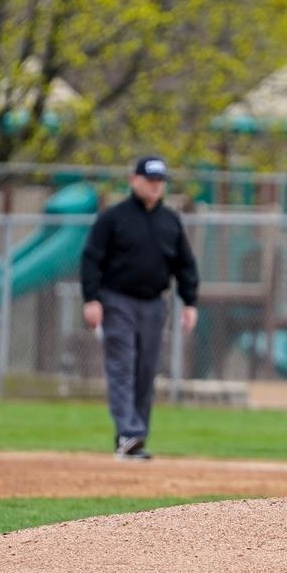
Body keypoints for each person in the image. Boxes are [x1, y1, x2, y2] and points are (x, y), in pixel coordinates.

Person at [79, 155, 200, 460]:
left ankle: (135, 438)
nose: (155, 186)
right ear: (133, 180)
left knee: (145, 371)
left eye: (160, 181)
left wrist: (190, 302)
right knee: (122, 366)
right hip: (117, 300)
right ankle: (128, 432)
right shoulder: (113, 218)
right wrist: (91, 299)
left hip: (154, 304)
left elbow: (185, 265)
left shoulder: (170, 221)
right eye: (150, 180)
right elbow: (91, 259)